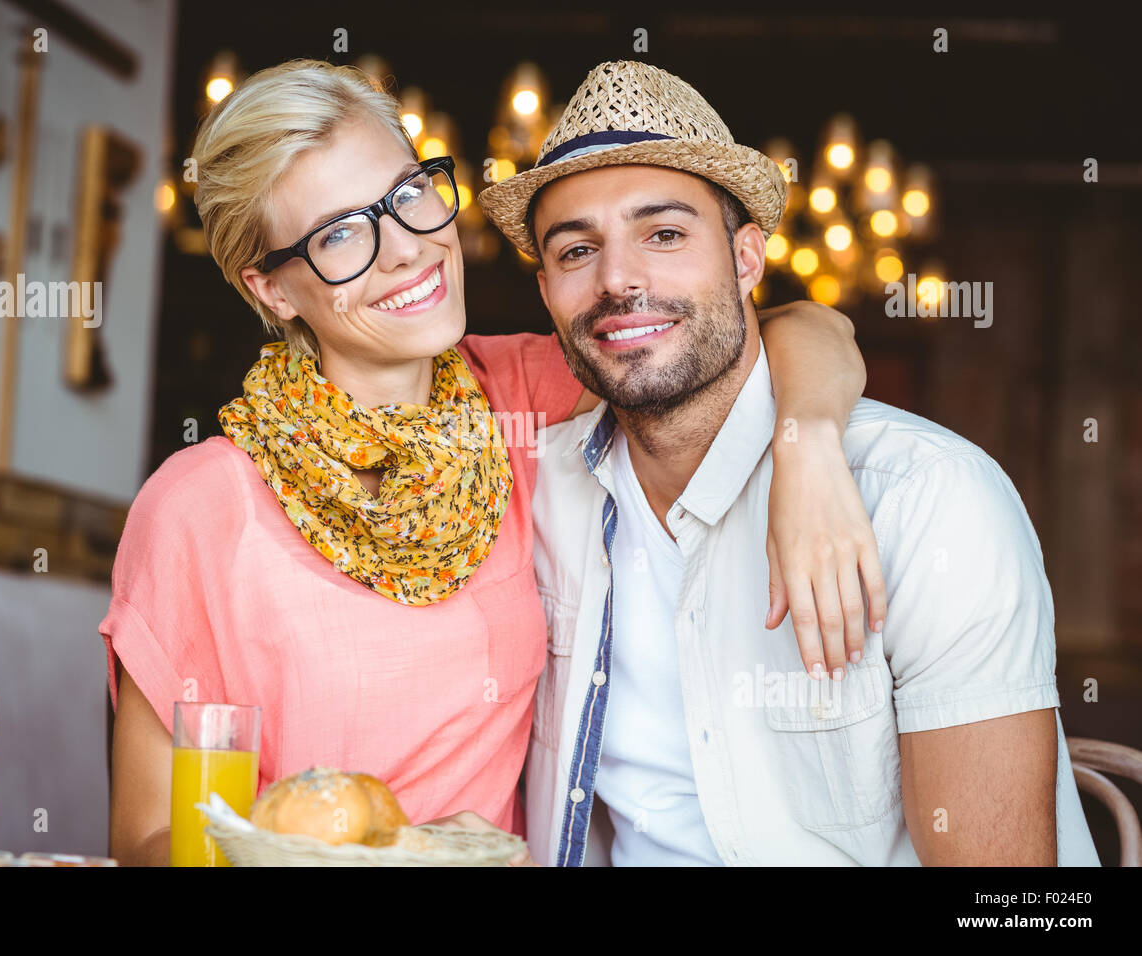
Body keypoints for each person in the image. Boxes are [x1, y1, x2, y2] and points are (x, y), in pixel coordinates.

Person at [100, 59, 881, 865]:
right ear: (273, 290)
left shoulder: (514, 397)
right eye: (338, 234)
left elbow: (785, 327)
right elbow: (150, 840)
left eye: (409, 195)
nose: (405, 250)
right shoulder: (199, 505)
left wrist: (810, 447)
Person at [478, 59, 1100, 866]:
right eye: (575, 251)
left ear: (745, 260)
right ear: (546, 292)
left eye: (663, 234)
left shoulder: (925, 503)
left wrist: (802, 447)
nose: (618, 278)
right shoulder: (530, 485)